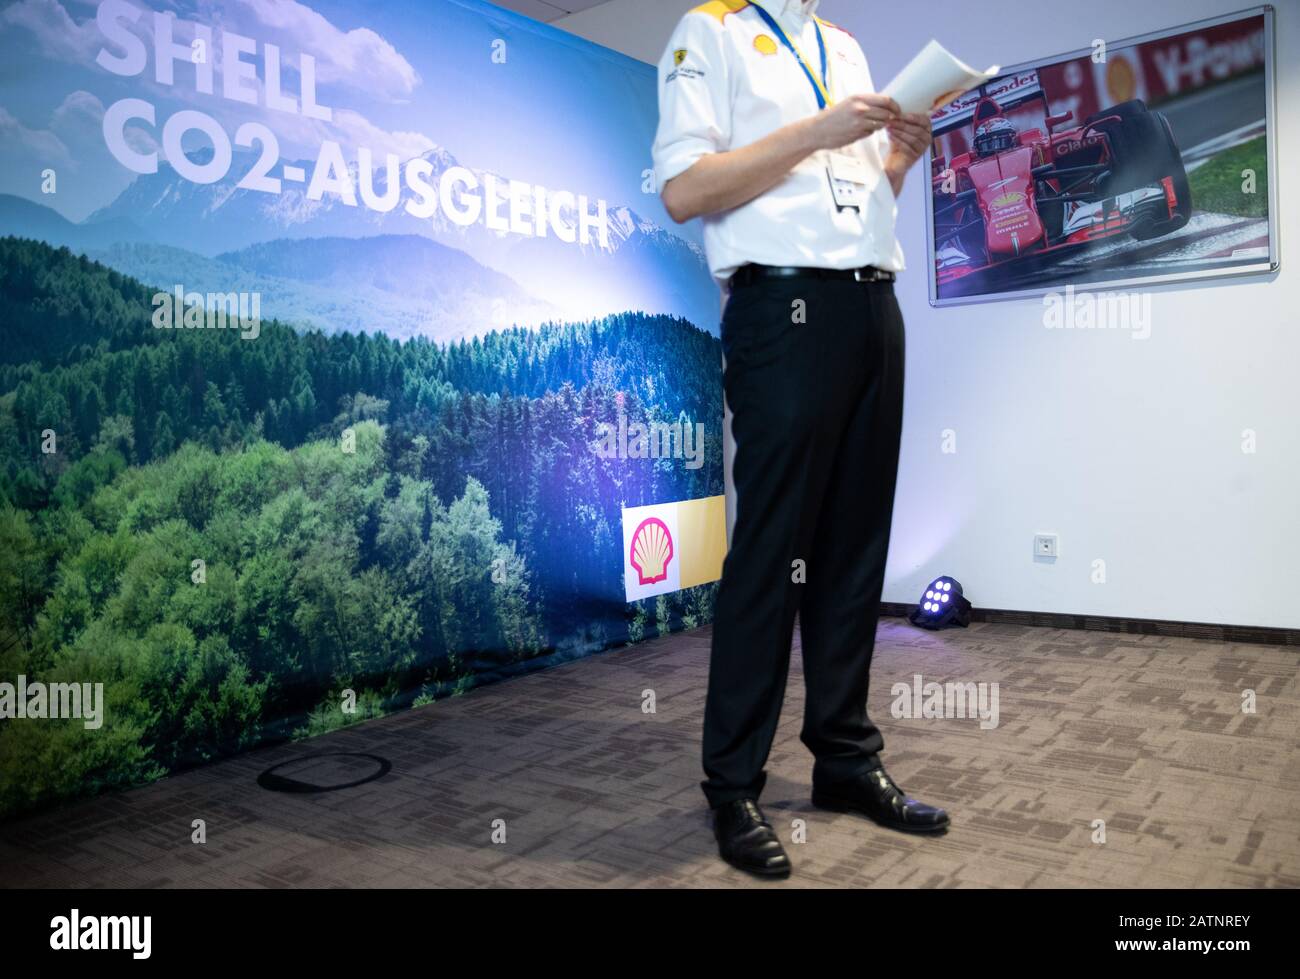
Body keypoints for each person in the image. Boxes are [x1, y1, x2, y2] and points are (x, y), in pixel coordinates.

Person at [652, 0, 951, 879]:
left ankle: (845, 759)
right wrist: (817, 130)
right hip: (781, 309)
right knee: (771, 551)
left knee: (854, 546)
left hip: (872, 304)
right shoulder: (708, 30)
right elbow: (684, 191)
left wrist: (896, 160)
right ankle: (732, 785)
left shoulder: (843, 45)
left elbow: (853, 202)